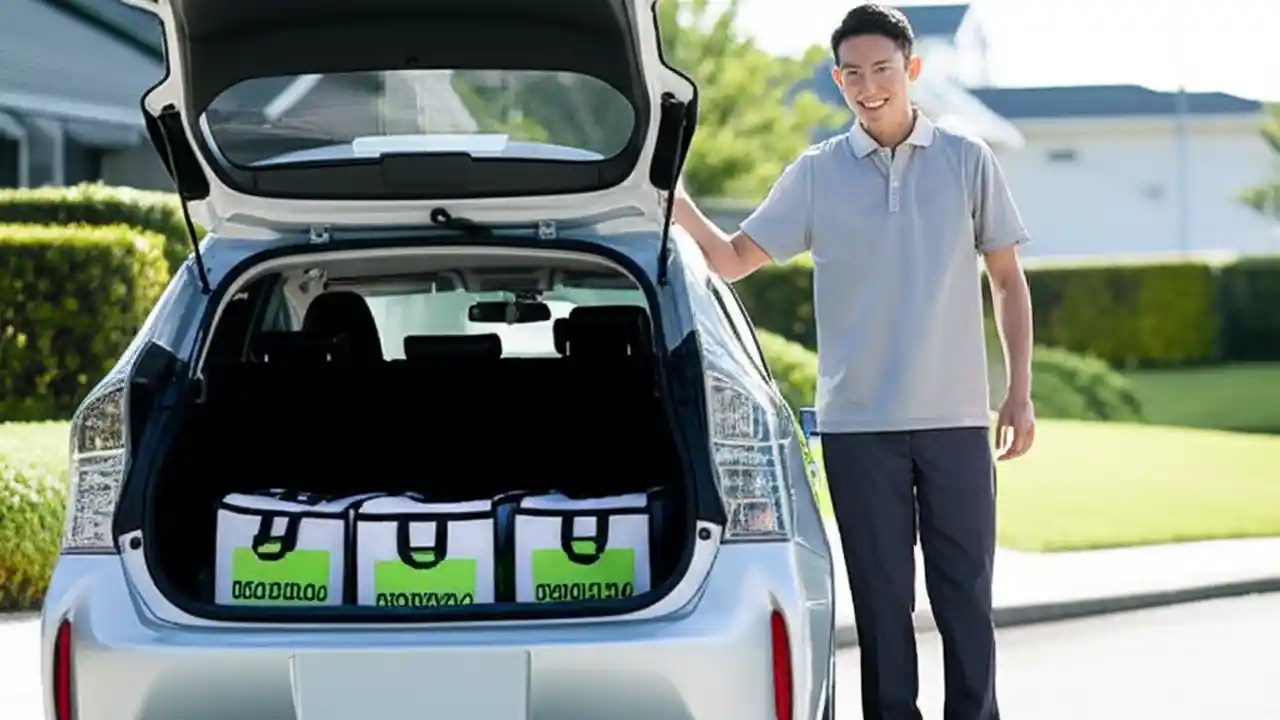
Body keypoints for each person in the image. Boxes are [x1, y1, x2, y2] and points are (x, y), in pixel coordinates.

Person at [671, 4, 1035, 719]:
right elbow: (733, 259)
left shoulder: (968, 161)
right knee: (880, 602)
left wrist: (1018, 392)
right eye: (853, 74)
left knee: (965, 597)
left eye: (882, 70)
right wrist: (675, 197)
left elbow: (1006, 280)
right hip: (859, 428)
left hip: (957, 422)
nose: (869, 87)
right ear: (838, 80)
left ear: (912, 69)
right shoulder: (816, 174)